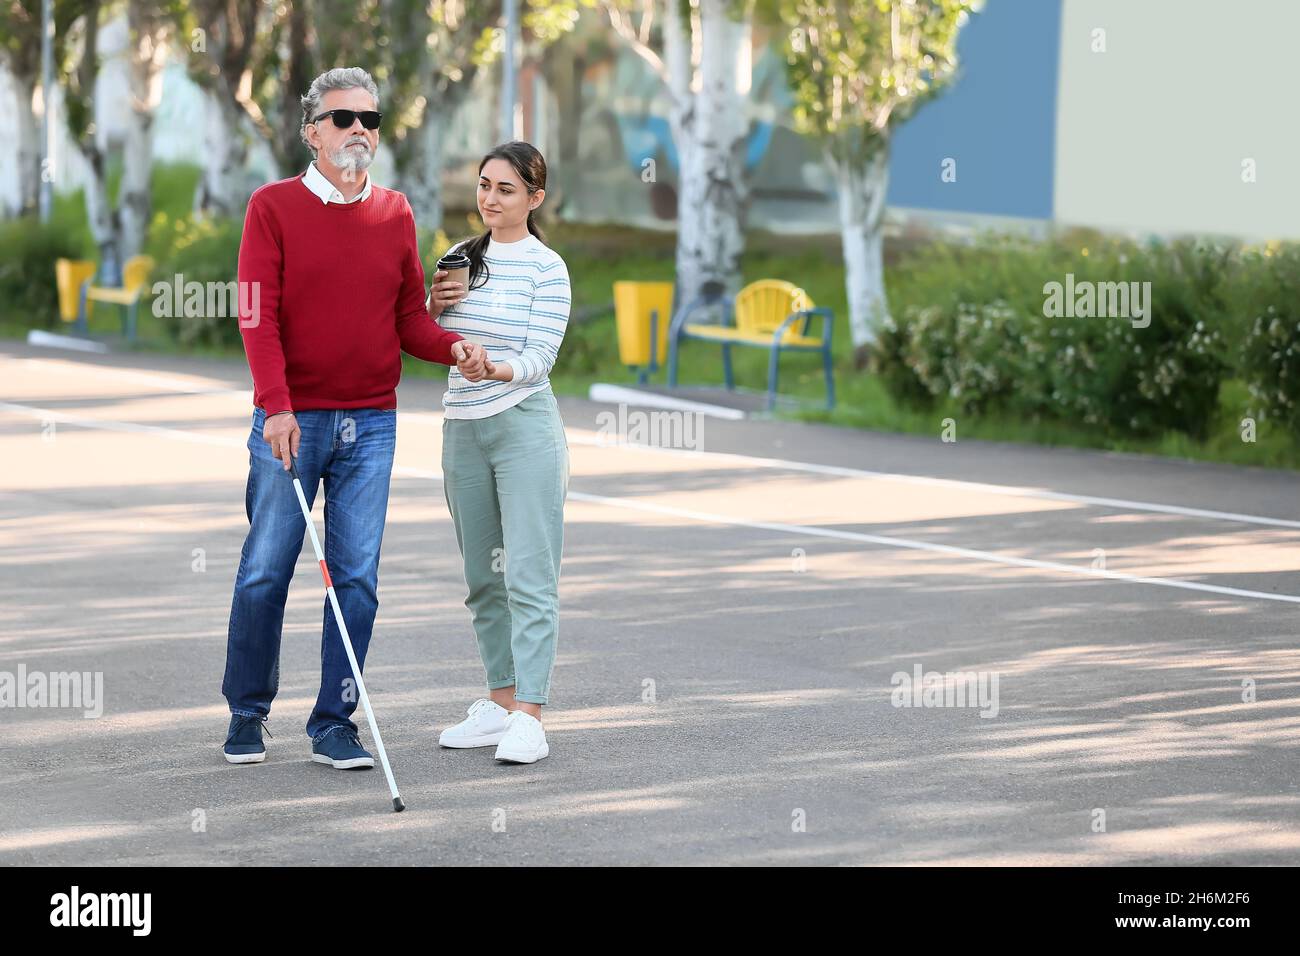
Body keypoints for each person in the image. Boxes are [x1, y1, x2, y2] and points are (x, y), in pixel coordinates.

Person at [222, 66, 487, 769]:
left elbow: (408, 318)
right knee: (265, 571)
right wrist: (275, 406)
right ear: (312, 133)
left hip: (370, 423)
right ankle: (247, 712)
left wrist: (452, 346)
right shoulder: (271, 207)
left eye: (370, 119)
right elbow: (257, 316)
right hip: (293, 421)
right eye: (343, 119)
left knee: (358, 579)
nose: (360, 130)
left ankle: (334, 721)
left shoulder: (395, 213)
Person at [428, 141, 572, 764]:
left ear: (535, 199)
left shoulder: (549, 268)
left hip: (523, 426)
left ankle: (531, 718)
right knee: (482, 578)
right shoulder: (459, 258)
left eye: (506, 189)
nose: (490, 198)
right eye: (484, 185)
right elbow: (431, 329)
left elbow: (540, 359)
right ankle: (500, 702)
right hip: (462, 427)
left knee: (529, 576)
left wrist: (497, 369)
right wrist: (435, 314)